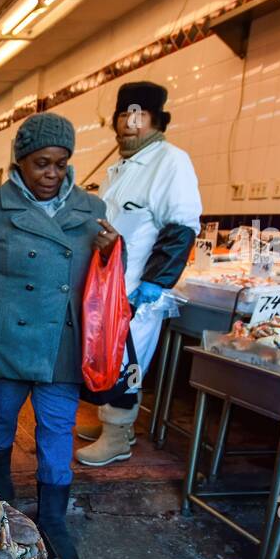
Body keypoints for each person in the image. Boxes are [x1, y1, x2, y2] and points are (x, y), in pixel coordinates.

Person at [0, 111, 120, 559]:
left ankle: (53, 518)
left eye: (60, 164)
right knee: (1, 420)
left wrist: (110, 253)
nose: (51, 173)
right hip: (6, 338)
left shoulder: (91, 211)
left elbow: (103, 284)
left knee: (57, 429)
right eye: (42, 162)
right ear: (20, 160)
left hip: (62, 342)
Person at [76, 81, 201, 467]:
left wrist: (154, 283)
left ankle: (117, 437)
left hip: (138, 290)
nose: (129, 124)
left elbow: (181, 226)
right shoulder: (123, 166)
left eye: (139, 115)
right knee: (107, 356)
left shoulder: (171, 161)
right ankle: (115, 425)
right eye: (123, 115)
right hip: (108, 286)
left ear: (156, 121)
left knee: (127, 359)